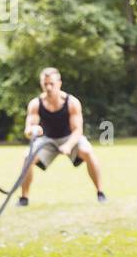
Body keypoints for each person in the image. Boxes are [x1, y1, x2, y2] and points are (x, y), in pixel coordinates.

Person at [18, 67, 107, 206]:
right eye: (45, 84)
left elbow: (78, 130)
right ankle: (24, 198)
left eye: (51, 84)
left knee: (88, 152)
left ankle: (100, 192)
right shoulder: (35, 104)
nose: (48, 87)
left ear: (59, 83)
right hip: (46, 140)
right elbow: (28, 129)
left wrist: (68, 145)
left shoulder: (72, 102)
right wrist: (32, 130)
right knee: (27, 157)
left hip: (70, 138)